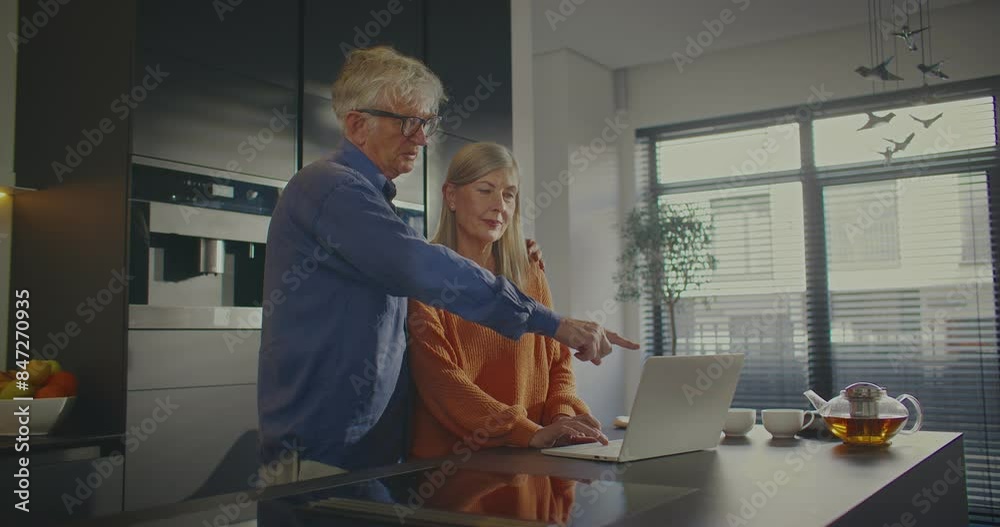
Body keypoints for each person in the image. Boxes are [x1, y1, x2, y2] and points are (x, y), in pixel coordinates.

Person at [256, 46, 637, 485]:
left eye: (426, 124)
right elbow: (418, 266)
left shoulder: (371, 202)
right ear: (357, 125)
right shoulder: (330, 188)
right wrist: (551, 322)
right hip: (321, 460)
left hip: (367, 458)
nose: (421, 138)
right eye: (408, 123)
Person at [408, 143, 607, 460]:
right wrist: (528, 432)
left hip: (533, 460)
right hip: (454, 468)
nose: (499, 205)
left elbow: (557, 363)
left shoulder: (529, 273)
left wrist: (563, 417)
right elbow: (442, 383)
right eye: (485, 190)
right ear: (451, 196)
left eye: (509, 195)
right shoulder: (426, 280)